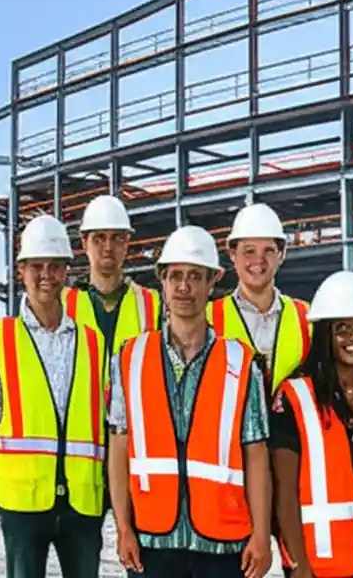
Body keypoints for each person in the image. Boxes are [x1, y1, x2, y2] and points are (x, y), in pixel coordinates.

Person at [107, 225, 273, 578]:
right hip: (153, 540)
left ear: (212, 283)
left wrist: (261, 535)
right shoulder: (130, 359)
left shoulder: (241, 363)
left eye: (195, 277)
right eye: (176, 276)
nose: (185, 287)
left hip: (224, 543)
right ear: (162, 283)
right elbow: (119, 448)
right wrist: (124, 528)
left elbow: (256, 455)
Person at [0, 214, 107, 578]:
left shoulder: (93, 344)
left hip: (83, 503)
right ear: (22, 272)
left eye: (54, 266)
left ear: (66, 272)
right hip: (21, 502)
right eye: (36, 267)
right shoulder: (0, 339)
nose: (46, 275)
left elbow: (108, 422)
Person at [270, 270, 353, 578]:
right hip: (319, 564)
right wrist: (299, 564)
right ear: (325, 333)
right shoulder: (294, 396)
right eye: (343, 328)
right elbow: (284, 491)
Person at [208, 202, 312, 394]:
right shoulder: (208, 318)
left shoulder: (306, 316)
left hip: (292, 423)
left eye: (268, 250)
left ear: (281, 255)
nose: (258, 260)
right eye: (249, 251)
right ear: (233, 254)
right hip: (233, 424)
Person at [62, 194, 161, 356]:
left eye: (117, 238)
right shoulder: (63, 304)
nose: (108, 247)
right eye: (99, 238)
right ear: (84, 242)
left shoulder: (152, 303)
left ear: (127, 242)